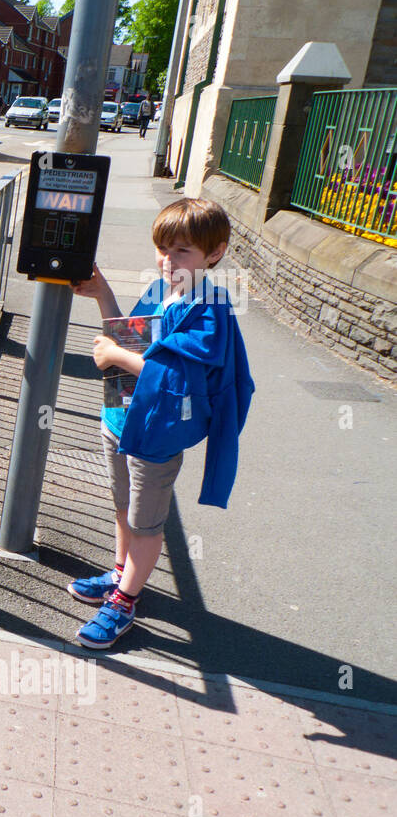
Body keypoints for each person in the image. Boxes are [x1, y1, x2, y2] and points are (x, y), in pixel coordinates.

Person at [66, 198, 253, 649]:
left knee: (147, 524)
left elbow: (176, 376)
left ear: (215, 252)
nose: (169, 260)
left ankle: (124, 601)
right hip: (121, 419)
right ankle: (119, 572)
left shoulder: (210, 308)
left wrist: (114, 357)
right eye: (163, 248)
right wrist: (103, 293)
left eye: (182, 251)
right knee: (123, 508)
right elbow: (132, 333)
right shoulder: (160, 290)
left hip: (158, 433)